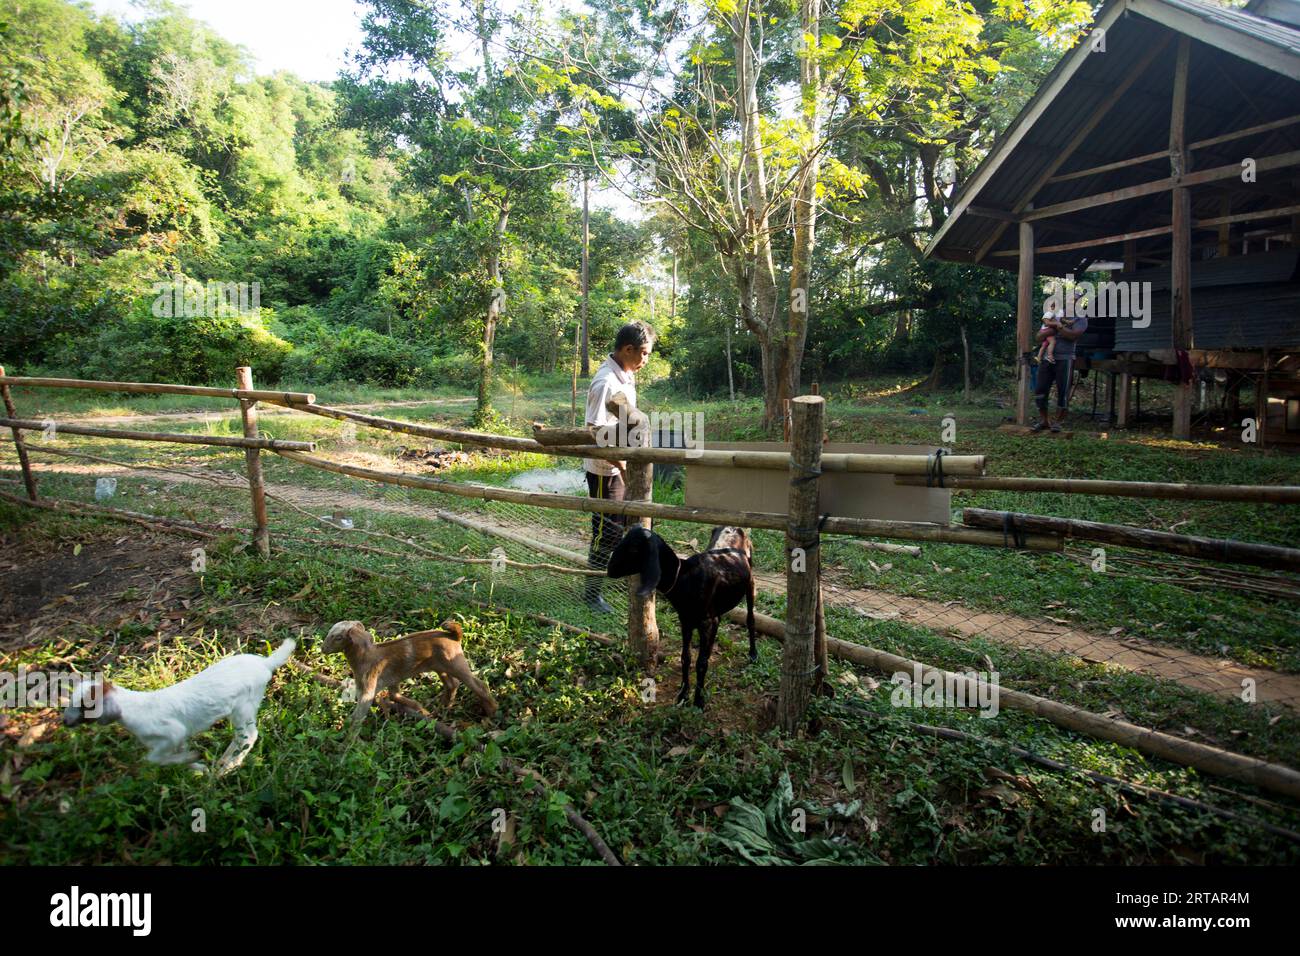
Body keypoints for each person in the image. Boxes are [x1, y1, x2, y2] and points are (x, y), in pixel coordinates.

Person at [582, 320, 657, 613]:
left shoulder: (625, 373)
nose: (645, 361)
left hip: (623, 465)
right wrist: (623, 465)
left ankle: (620, 574)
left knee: (628, 524)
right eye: (644, 354)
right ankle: (591, 593)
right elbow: (594, 435)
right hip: (606, 469)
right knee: (606, 531)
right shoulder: (605, 383)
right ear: (627, 349)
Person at [1033, 295, 1087, 432]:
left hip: (1065, 358)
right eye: (1069, 299)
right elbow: (1038, 336)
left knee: (1063, 391)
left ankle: (1057, 422)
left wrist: (1056, 327)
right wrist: (1057, 327)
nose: (1071, 302)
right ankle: (1044, 420)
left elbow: (1073, 335)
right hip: (1047, 358)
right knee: (1040, 390)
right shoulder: (1055, 314)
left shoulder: (1081, 319)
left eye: (1075, 300)